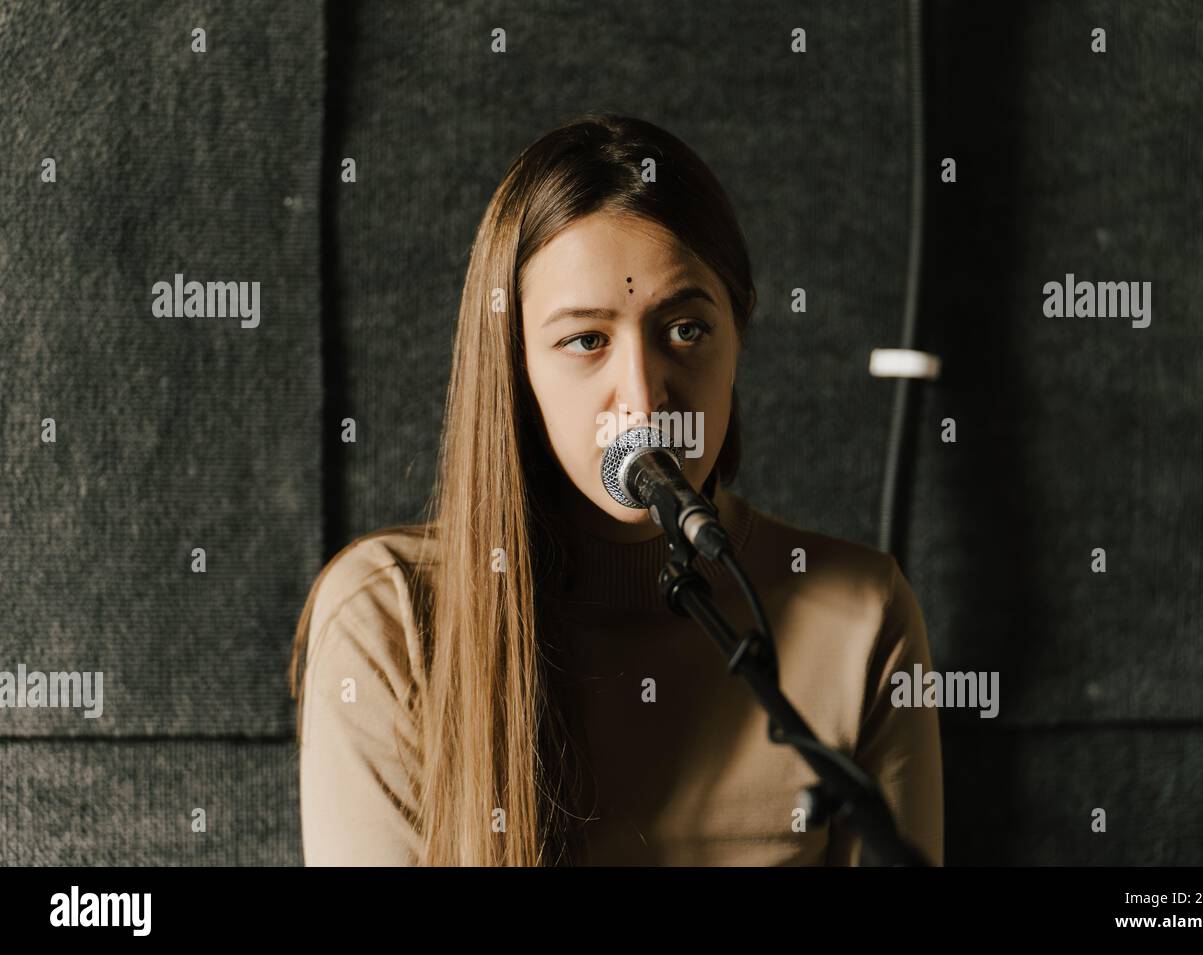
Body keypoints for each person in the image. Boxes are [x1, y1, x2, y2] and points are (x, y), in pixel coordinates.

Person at [288, 113, 943, 867]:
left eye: (685, 330)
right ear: (514, 369)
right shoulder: (389, 618)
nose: (643, 398)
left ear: (739, 338)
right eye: (586, 340)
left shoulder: (861, 612)